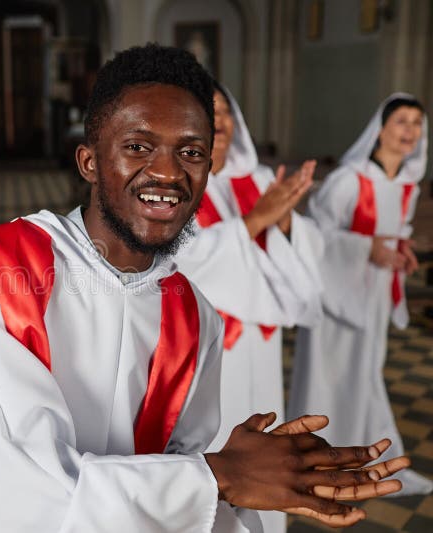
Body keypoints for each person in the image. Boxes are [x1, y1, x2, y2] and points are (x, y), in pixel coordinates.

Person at [0, 44, 409, 533]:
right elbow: (26, 487)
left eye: (190, 152)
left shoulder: (195, 315)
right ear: (89, 162)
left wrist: (248, 482)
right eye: (138, 147)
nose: (167, 172)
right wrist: (224, 475)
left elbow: (189, 485)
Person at [174, 83, 325, 532]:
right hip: (213, 339)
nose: (220, 122)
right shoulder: (178, 179)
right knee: (223, 441)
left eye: (226, 113)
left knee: (266, 428)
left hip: (261, 338)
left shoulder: (257, 179)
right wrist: (255, 220)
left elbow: (298, 245)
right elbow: (187, 259)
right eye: (209, 112)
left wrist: (283, 219)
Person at [289, 93, 433, 496]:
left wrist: (399, 253)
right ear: (380, 129)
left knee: (364, 376)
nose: (410, 131)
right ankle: (313, 463)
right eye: (402, 121)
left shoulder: (407, 185)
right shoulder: (348, 180)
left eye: (417, 123)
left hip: (371, 298)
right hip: (336, 298)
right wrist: (368, 248)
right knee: (327, 377)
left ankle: (362, 460)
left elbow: (395, 233)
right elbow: (315, 237)